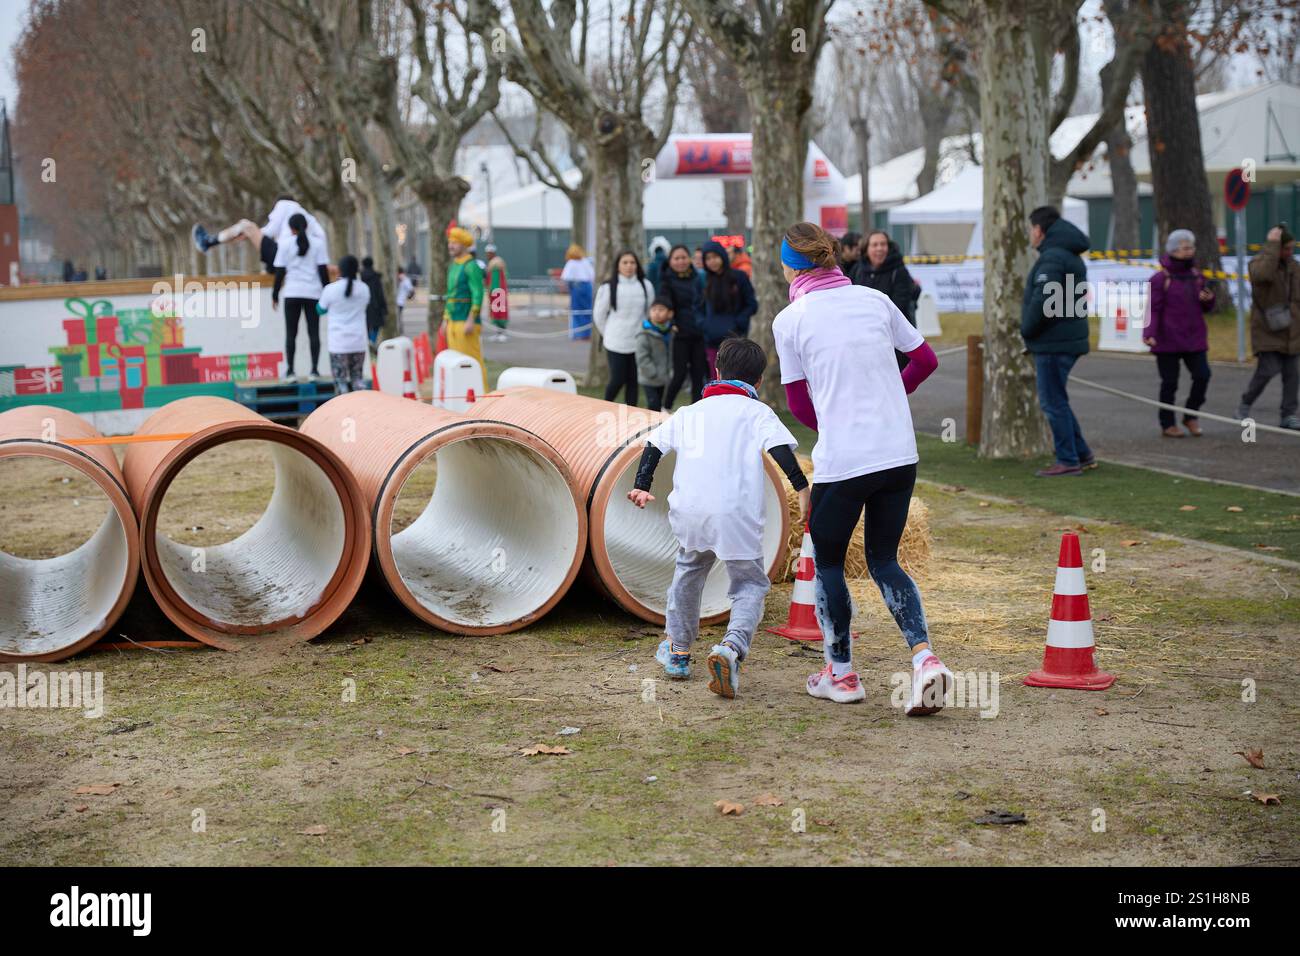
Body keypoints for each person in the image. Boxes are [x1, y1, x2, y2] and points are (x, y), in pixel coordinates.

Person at [774, 221, 946, 713]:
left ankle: (842, 674)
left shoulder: (791, 320)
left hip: (844, 460)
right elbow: (926, 360)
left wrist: (831, 422)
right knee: (885, 560)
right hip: (898, 453)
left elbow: (798, 405)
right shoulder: (875, 299)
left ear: (791, 265)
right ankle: (925, 658)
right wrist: (893, 394)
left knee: (828, 563)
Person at [628, 337, 810, 699]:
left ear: (716, 372)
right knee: (749, 585)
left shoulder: (689, 412)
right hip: (736, 514)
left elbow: (653, 447)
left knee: (689, 573)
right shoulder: (758, 413)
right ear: (758, 381)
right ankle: (731, 648)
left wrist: (642, 484)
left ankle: (678, 654)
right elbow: (780, 453)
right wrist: (802, 490)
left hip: (692, 510)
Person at [1021, 205, 1095, 477]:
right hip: (1067, 337)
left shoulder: (1052, 258)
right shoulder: (1068, 255)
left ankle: (1068, 459)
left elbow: (1044, 300)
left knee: (1052, 403)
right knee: (1058, 400)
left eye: (1031, 229)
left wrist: (1026, 330)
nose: (1030, 234)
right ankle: (1082, 453)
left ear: (1039, 230)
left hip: (1054, 341)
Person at [1143, 229, 1214, 437]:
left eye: (1191, 247)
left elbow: (1207, 308)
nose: (1189, 252)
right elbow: (1152, 309)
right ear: (1173, 250)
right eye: (1184, 248)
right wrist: (1149, 332)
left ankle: (1191, 415)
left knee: (1203, 375)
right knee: (1170, 383)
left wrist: (1208, 299)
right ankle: (1167, 424)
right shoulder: (1159, 279)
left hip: (1194, 338)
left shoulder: (1197, 276)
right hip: (1167, 339)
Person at [1238, 224, 1300, 430]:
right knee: (1267, 370)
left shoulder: (1294, 267)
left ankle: (1289, 414)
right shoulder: (1259, 263)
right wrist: (1272, 245)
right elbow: (1262, 276)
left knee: (1293, 375)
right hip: (1267, 329)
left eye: (1292, 248)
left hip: (1292, 330)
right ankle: (1245, 404)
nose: (1290, 252)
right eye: (1286, 248)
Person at [194, 195, 328, 274]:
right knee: (248, 231)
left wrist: (249, 233)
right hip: (302, 265)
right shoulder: (308, 218)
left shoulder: (285, 205)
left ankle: (208, 242)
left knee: (246, 225)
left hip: (284, 258)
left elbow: (269, 231)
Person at [272, 212, 330, 382]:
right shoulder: (318, 244)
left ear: (291, 229)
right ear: (306, 226)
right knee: (314, 333)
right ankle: (314, 371)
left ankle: (290, 371)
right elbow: (322, 272)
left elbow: (280, 272)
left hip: (292, 293)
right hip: (313, 294)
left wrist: (275, 294)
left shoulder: (284, 244)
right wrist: (326, 293)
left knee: (291, 333)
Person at [593, 249, 655, 406]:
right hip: (615, 342)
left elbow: (649, 313)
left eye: (632, 262)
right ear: (618, 266)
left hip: (638, 341)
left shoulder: (646, 286)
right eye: (625, 262)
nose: (629, 266)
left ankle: (630, 414)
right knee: (618, 378)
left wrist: (646, 332)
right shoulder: (608, 287)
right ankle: (604, 406)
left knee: (633, 381)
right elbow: (599, 315)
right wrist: (607, 334)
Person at [658, 244, 708, 410]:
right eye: (676, 258)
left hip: (699, 332)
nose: (680, 261)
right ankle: (666, 406)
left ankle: (696, 409)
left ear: (690, 259)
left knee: (698, 375)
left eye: (684, 257)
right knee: (679, 375)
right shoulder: (666, 280)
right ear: (670, 261)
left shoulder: (698, 277)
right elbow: (664, 303)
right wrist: (671, 323)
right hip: (680, 333)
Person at [699, 240, 758, 378]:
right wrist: (704, 324)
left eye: (715, 257)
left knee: (736, 378)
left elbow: (751, 304)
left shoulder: (739, 277)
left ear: (722, 256)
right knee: (716, 379)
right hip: (711, 339)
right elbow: (696, 307)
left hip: (735, 339)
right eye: (708, 258)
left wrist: (739, 322)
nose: (712, 261)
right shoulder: (702, 279)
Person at [317, 254, 371, 394]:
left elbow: (320, 310)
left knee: (341, 382)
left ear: (339, 270)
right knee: (357, 379)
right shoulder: (364, 289)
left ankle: (342, 411)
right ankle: (361, 409)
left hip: (338, 344)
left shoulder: (330, 289)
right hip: (358, 342)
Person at [442, 226, 486, 390]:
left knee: (472, 360)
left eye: (455, 243)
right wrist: (445, 319)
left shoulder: (471, 265)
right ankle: (462, 393)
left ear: (463, 244)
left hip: (466, 321)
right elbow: (450, 294)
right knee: (456, 362)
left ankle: (481, 393)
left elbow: (478, 294)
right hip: (453, 320)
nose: (450, 246)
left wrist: (471, 319)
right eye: (450, 242)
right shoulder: (454, 265)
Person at [636, 295, 675, 411]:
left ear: (670, 313)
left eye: (661, 310)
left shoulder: (671, 332)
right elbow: (642, 356)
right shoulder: (644, 333)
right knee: (654, 405)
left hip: (663, 377)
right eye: (654, 309)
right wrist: (652, 372)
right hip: (649, 377)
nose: (657, 313)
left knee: (658, 407)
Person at [560, 244, 596, 339]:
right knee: (588, 310)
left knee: (577, 311)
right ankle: (587, 334)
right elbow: (592, 275)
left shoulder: (571, 263)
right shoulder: (585, 262)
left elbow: (565, 277)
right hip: (587, 286)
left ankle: (578, 334)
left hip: (576, 287)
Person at [359, 256, 388, 347]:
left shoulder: (360, 277)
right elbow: (380, 294)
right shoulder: (376, 277)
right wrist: (384, 308)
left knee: (365, 327)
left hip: (363, 307)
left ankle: (367, 343)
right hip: (375, 306)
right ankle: (372, 342)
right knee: (375, 327)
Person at [483, 243, 510, 343]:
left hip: (498, 292)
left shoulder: (496, 264)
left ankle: (502, 332)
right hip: (495, 292)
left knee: (500, 312)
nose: (487, 255)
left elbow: (496, 280)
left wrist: (494, 291)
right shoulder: (491, 264)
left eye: (489, 253)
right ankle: (498, 333)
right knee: (496, 312)